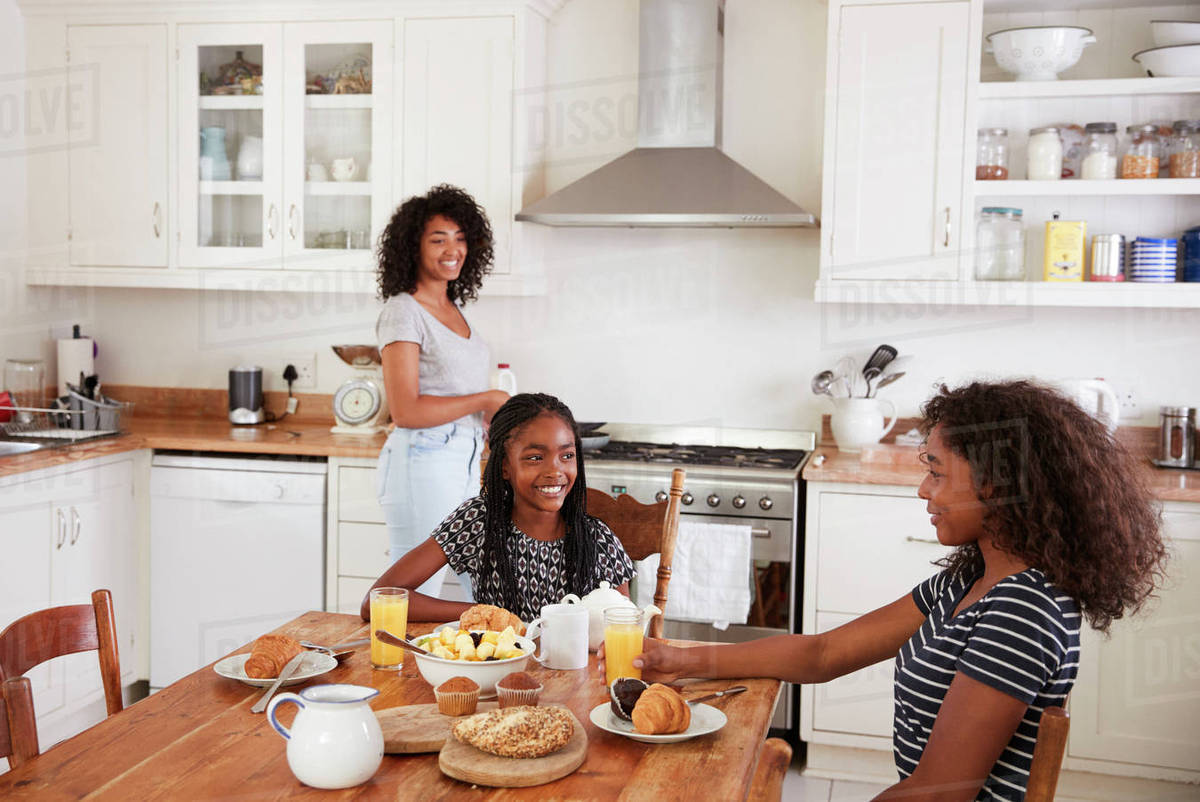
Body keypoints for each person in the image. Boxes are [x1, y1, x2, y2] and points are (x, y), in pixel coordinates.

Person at [606, 381, 1167, 802]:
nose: (923, 489)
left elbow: (939, 793)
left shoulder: (1021, 610)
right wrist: (685, 658)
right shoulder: (970, 578)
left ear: (999, 484)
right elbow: (824, 654)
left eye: (938, 472)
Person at [361, 393, 637, 623]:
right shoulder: (480, 520)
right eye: (535, 457)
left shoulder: (598, 540)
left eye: (567, 455)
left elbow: (625, 632)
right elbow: (377, 601)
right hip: (496, 675)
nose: (555, 471)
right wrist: (483, 614)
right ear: (505, 466)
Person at [374, 184, 511, 598]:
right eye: (438, 239)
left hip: (465, 460)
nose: (453, 249)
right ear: (412, 247)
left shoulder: (452, 309)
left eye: (460, 238)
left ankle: (479, 665)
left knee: (486, 585)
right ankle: (388, 663)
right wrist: (485, 400)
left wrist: (485, 418)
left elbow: (451, 393)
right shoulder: (403, 311)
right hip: (423, 459)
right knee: (411, 592)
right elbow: (406, 410)